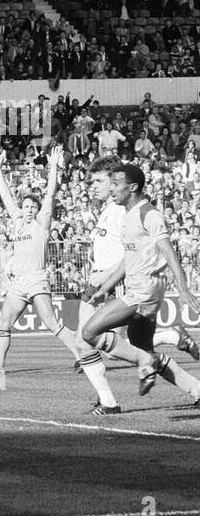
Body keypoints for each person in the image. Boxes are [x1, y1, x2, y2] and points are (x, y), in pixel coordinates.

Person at [0, 148, 121, 414]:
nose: (28, 209)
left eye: (32, 207)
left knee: (52, 324)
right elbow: (5, 195)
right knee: (3, 324)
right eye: (25, 206)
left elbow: (50, 193)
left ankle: (81, 356)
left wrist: (54, 168)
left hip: (36, 280)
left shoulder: (41, 224)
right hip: (18, 283)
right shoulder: (16, 222)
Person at [81, 163, 200, 403]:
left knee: (89, 331)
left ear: (132, 186)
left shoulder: (149, 214)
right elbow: (127, 260)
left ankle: (146, 363)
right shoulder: (129, 215)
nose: (112, 189)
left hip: (144, 289)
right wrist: (104, 289)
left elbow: (168, 251)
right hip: (141, 287)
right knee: (144, 350)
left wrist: (183, 286)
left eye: (116, 184)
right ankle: (195, 390)